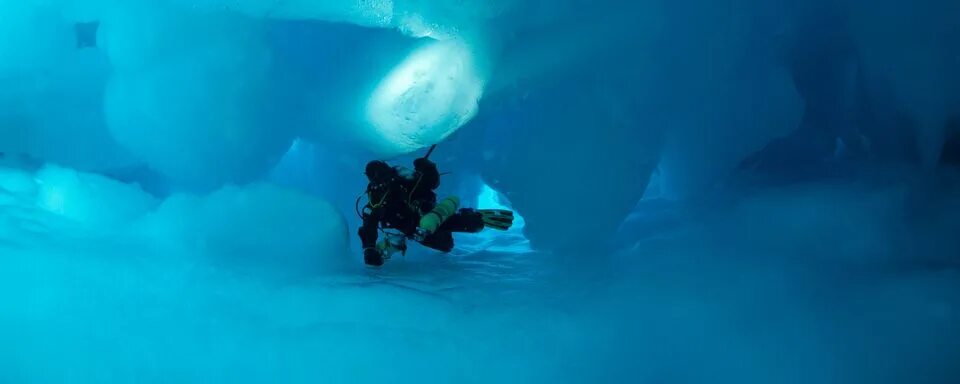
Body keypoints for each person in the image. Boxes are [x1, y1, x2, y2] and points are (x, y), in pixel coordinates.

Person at [358, 156, 514, 266]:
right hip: (412, 230)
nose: (382, 181)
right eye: (377, 178)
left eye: (383, 174)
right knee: (445, 246)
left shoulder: (404, 180)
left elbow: (430, 182)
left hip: (430, 217)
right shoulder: (376, 197)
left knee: (462, 230)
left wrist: (427, 167)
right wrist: (369, 248)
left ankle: (473, 216)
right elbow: (369, 224)